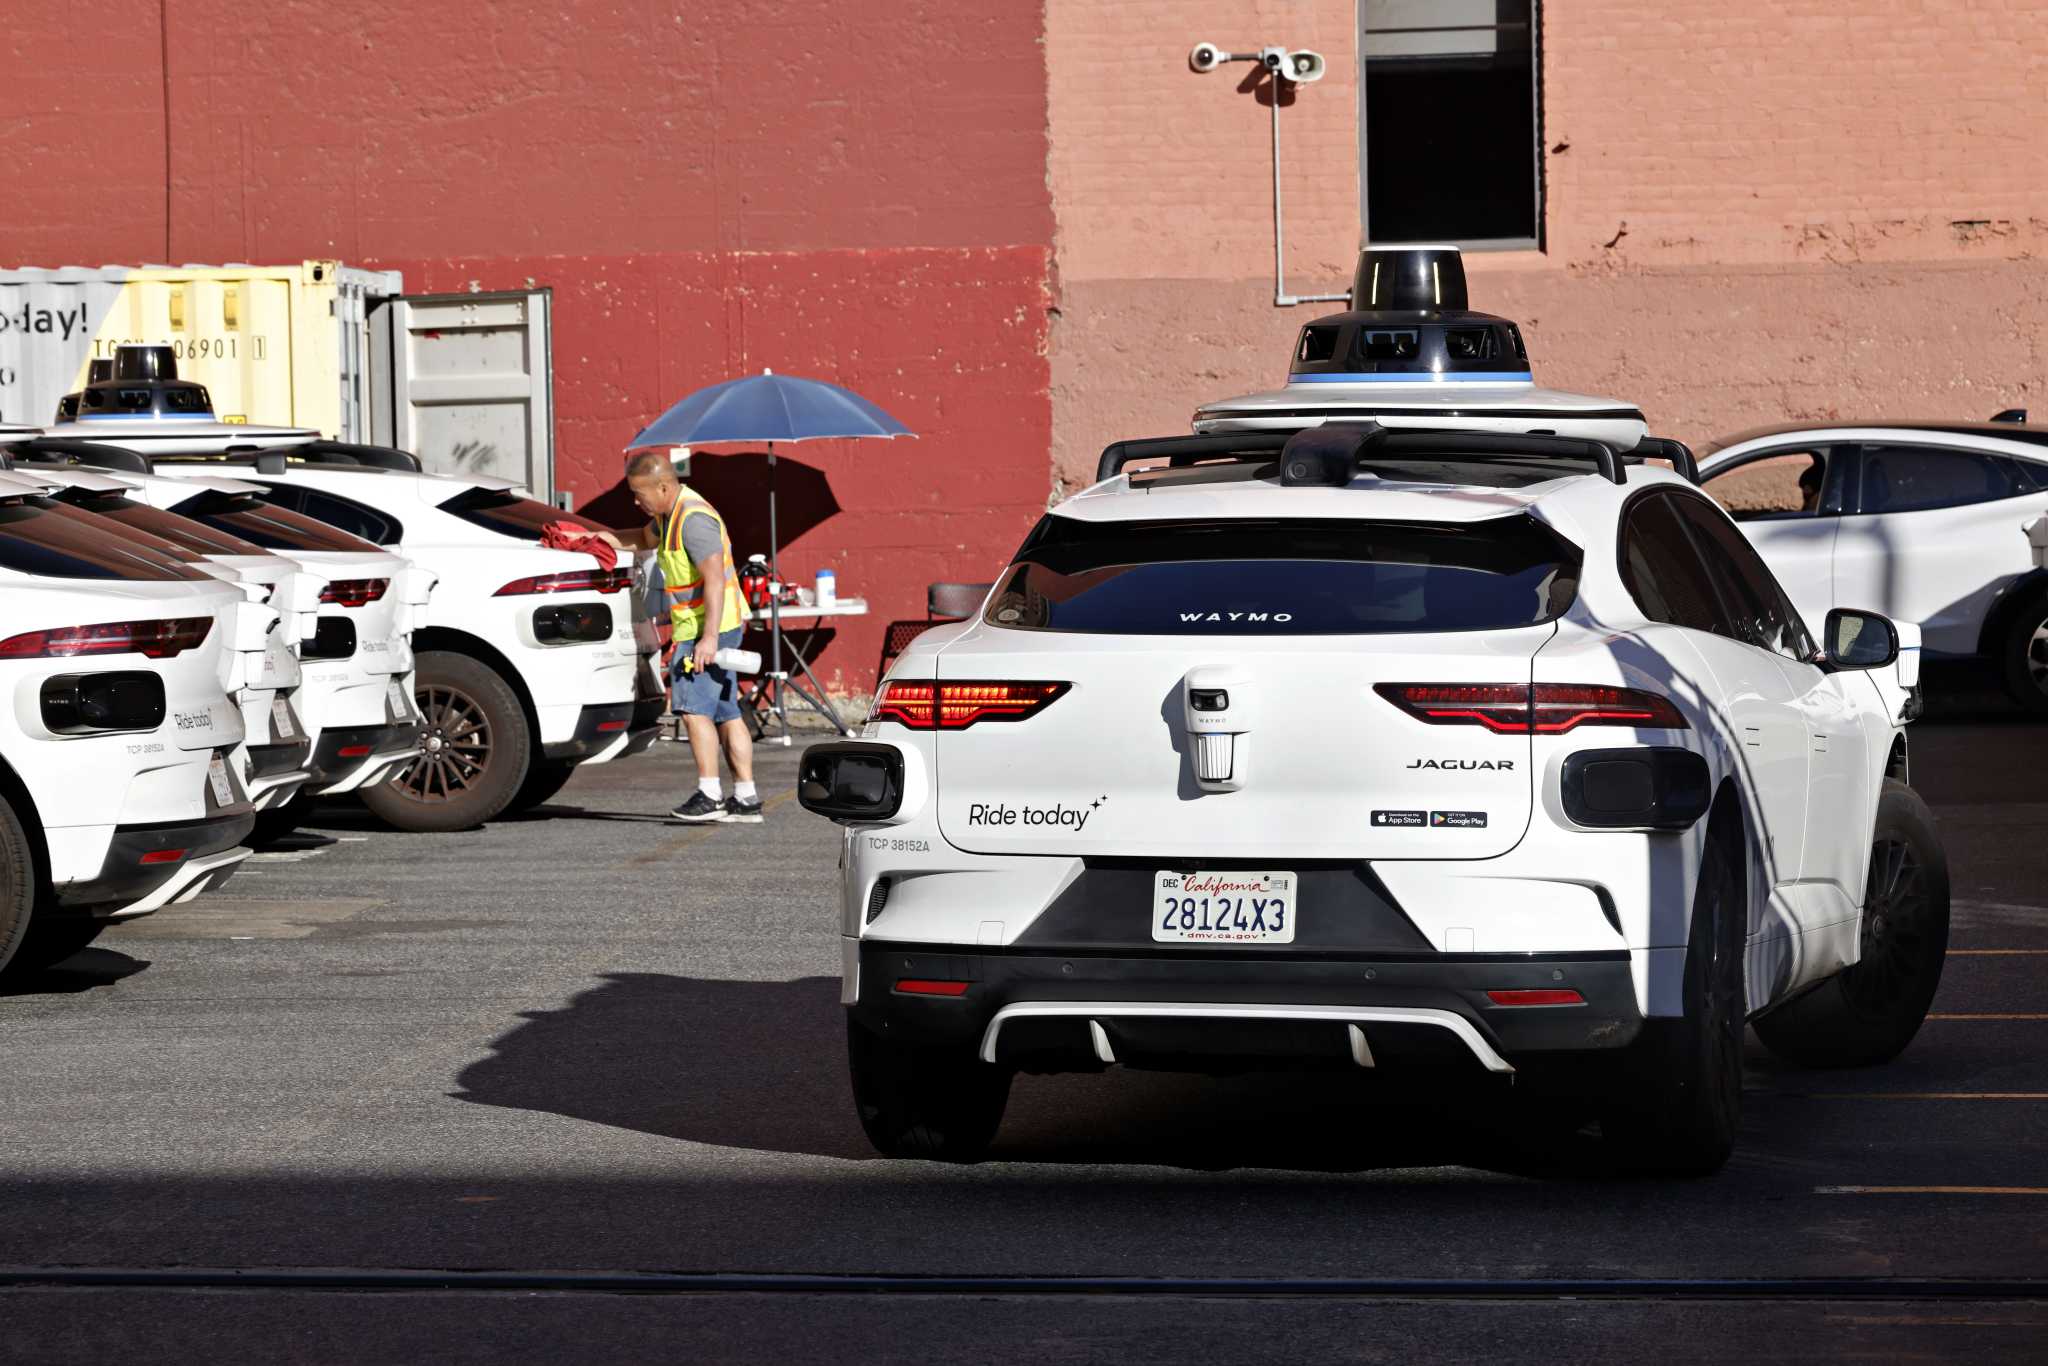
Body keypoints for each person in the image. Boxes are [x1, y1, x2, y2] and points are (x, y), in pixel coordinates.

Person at [599, 451, 762, 823]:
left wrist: (707, 640)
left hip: (706, 632)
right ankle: (746, 798)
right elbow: (641, 539)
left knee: (692, 710)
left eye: (640, 492)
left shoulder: (692, 520)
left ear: (663, 485)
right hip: (715, 628)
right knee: (726, 711)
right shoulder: (667, 515)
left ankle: (710, 795)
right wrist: (599, 540)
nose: (635, 500)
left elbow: (716, 580)